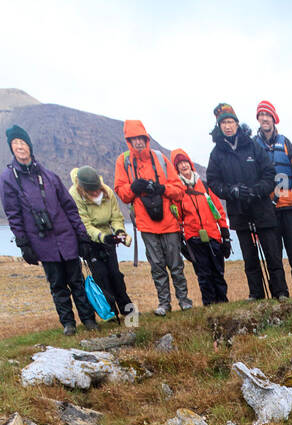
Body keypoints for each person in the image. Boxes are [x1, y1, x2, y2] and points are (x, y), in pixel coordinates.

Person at [1, 125, 95, 334]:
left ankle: (88, 320)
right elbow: (13, 214)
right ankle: (68, 324)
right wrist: (23, 243)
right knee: (58, 285)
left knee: (77, 281)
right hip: (42, 242)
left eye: (22, 142)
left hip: (66, 238)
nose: (19, 147)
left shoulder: (49, 176)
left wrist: (82, 235)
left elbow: (69, 207)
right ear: (11, 149)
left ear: (30, 146)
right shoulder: (8, 179)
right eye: (15, 144)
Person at [206, 102, 289, 300]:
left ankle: (281, 292)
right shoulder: (216, 154)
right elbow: (213, 182)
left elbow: (270, 174)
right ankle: (256, 293)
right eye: (223, 122)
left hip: (261, 208)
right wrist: (231, 191)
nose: (227, 126)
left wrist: (256, 191)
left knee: (272, 254)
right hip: (239, 211)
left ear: (236, 123)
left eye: (230, 122)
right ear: (219, 126)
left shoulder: (253, 145)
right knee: (249, 257)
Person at [114, 120, 190, 315]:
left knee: (176, 265)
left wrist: (162, 188)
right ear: (128, 141)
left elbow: (179, 190)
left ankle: (184, 301)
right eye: (134, 139)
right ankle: (164, 304)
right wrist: (134, 188)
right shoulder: (124, 162)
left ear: (146, 138)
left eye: (141, 138)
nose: (138, 142)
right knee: (157, 267)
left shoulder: (160, 158)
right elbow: (121, 192)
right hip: (146, 224)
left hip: (169, 222)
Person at [254, 100, 292, 296]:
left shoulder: (285, 143)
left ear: (274, 118)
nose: (264, 118)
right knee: (273, 256)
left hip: (289, 209)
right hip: (267, 211)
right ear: (258, 119)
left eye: (267, 115)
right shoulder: (254, 145)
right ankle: (280, 292)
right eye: (261, 115)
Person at [68, 165, 133, 319]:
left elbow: (116, 217)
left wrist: (119, 232)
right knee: (101, 276)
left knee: (116, 274)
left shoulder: (107, 191)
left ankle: (128, 309)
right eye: (92, 191)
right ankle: (111, 313)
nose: (96, 192)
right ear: (84, 189)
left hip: (108, 238)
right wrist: (102, 237)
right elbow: (84, 224)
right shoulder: (74, 195)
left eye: (97, 189)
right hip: (89, 241)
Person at [171, 149, 230, 306]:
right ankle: (209, 305)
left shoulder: (205, 186)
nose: (183, 166)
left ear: (190, 164)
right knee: (204, 274)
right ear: (176, 168)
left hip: (213, 236)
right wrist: (182, 244)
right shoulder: (177, 191)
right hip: (193, 239)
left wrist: (224, 233)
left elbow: (218, 210)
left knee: (218, 272)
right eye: (179, 164)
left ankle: (223, 303)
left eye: (185, 162)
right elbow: (177, 218)